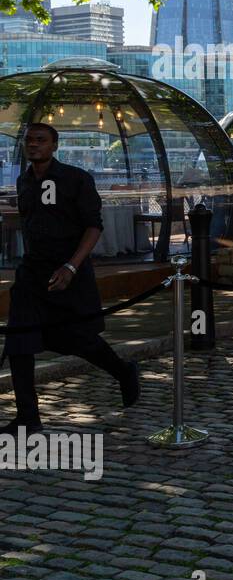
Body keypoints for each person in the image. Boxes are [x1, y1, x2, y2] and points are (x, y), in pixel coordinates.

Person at [2, 123, 139, 435]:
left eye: (41, 140)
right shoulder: (24, 181)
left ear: (54, 145)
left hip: (69, 273)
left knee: (76, 339)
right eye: (29, 140)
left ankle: (122, 370)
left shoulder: (76, 179)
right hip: (32, 276)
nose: (33, 145)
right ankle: (28, 417)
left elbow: (93, 226)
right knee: (19, 343)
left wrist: (71, 267)